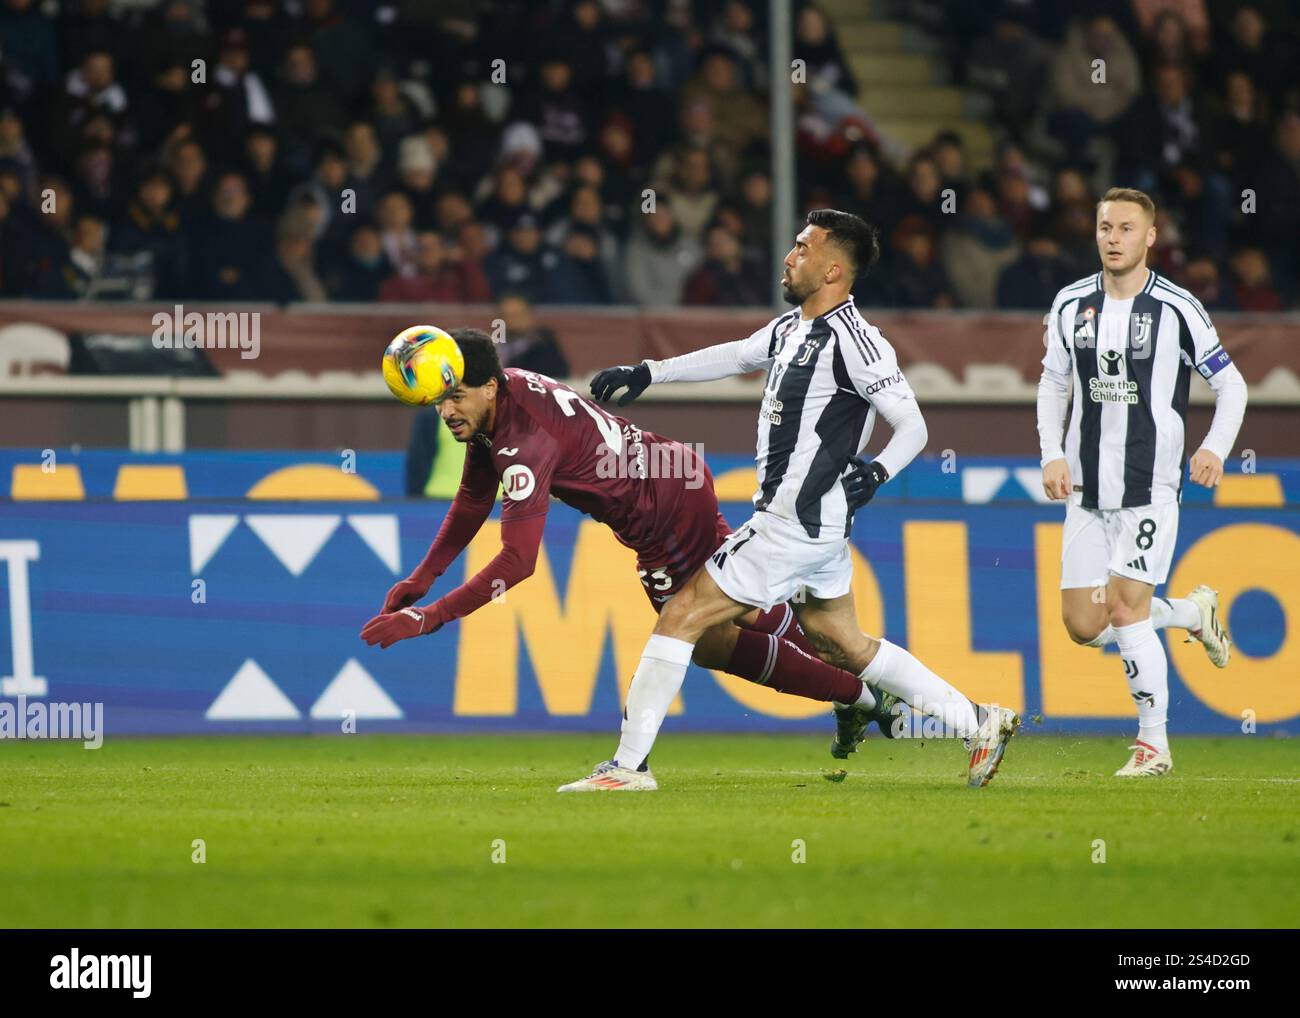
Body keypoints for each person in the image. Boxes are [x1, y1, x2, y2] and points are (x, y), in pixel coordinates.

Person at [566, 209, 1020, 791]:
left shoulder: (859, 342)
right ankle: (977, 721)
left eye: (803, 248)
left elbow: (913, 425)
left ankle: (628, 769)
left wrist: (878, 471)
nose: (790, 256)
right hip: (815, 526)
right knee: (842, 642)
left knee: (681, 616)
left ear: (833, 269)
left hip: (793, 524)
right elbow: (733, 355)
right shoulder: (790, 329)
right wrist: (649, 370)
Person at [360, 331, 897, 767]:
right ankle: (862, 687)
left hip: (662, 512)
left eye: (455, 396)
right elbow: (474, 496)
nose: (446, 410)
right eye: (438, 400)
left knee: (706, 634)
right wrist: (424, 576)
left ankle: (861, 691)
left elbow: (518, 563)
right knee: (735, 616)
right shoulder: (507, 396)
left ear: (489, 389)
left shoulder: (523, 445)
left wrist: (428, 618)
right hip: (673, 476)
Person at [1036, 187, 1247, 778]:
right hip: (1085, 490)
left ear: (1150, 237)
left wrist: (1213, 448)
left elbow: (1232, 386)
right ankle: (1189, 614)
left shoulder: (1178, 308)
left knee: (1127, 611)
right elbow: (1053, 384)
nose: (1113, 238)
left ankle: (1153, 745)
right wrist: (1052, 453)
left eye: (1127, 229)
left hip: (1150, 486)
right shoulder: (1070, 303)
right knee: (1084, 625)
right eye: (1105, 227)